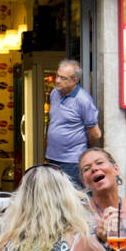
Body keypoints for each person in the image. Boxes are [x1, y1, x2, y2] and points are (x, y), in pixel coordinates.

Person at [44, 59, 101, 188]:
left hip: (72, 161)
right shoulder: (54, 93)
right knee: (55, 198)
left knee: (72, 198)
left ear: (75, 80)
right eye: (58, 75)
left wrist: (80, 148)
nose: (57, 80)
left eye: (63, 78)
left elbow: (95, 134)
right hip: (53, 158)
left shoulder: (83, 100)